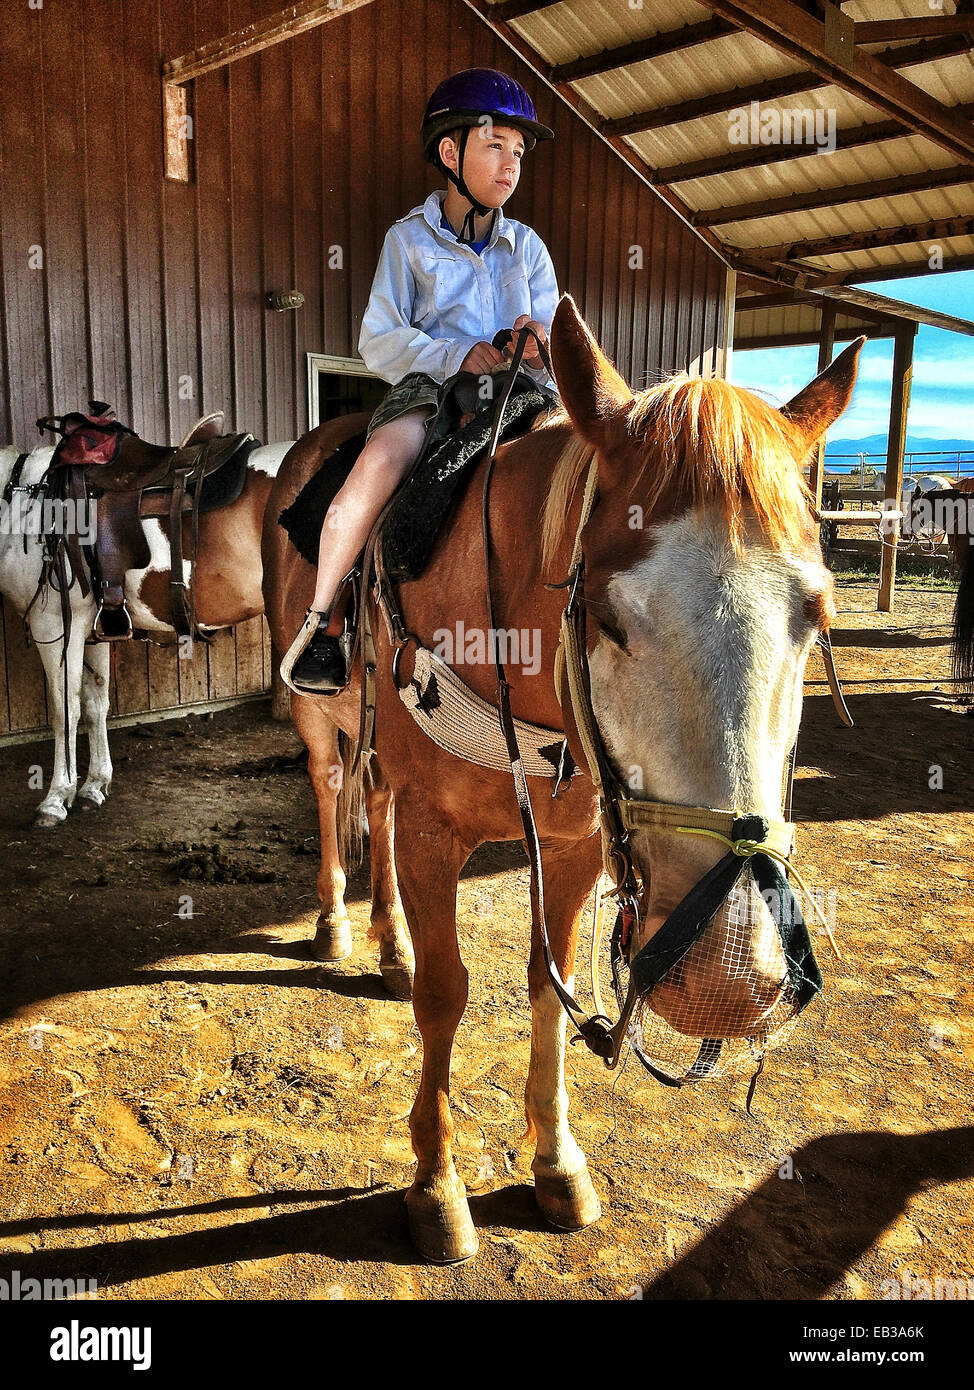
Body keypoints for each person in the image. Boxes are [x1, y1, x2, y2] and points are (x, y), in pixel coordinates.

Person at [280, 68, 558, 695]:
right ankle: (323, 623)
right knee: (372, 473)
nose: (511, 164)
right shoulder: (405, 241)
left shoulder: (529, 248)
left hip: (522, 390)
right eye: (495, 146)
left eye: (518, 152)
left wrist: (531, 344)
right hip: (428, 391)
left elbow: (547, 333)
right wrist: (458, 355)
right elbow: (377, 341)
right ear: (450, 152)